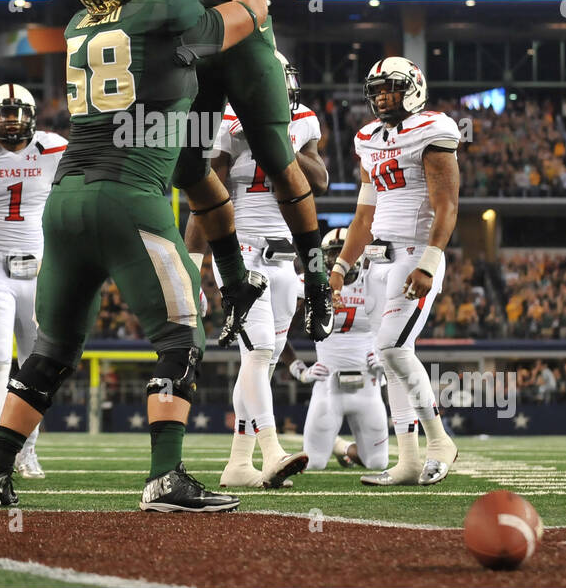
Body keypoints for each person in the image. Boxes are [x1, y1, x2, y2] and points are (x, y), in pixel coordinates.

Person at [0, 0, 267, 513]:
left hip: (67, 200)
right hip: (130, 196)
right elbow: (252, 10)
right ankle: (164, 477)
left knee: (50, 351)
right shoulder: (166, 12)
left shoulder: (78, 27)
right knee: (182, 337)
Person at [137, 0, 356, 345]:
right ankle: (236, 281)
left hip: (246, 30)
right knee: (185, 166)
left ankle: (316, 279)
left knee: (278, 158)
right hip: (193, 37)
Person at [188, 53, 322, 488]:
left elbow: (319, 180)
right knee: (260, 352)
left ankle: (238, 464)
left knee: (258, 362)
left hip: (288, 260)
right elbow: (206, 194)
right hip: (242, 253)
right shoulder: (226, 121)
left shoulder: (302, 121)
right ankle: (271, 451)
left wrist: (278, 139)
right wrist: (195, 266)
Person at [330, 57, 462, 487]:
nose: (384, 97)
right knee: (391, 363)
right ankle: (407, 460)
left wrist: (429, 261)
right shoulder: (368, 137)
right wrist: (340, 267)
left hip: (414, 253)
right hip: (377, 259)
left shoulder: (434, 129)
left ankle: (440, 441)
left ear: (414, 88)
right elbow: (363, 215)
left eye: (392, 88)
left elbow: (447, 206)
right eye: (378, 90)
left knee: (391, 348)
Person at [0, 84, 66, 479]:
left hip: (38, 271)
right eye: (4, 114)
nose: (11, 121)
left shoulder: (53, 147)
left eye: (18, 113)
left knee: (36, 364)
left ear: (32, 116)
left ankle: (26, 450)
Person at [294, 228, 391, 472]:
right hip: (328, 385)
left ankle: (343, 448)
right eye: (331, 254)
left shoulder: (374, 281)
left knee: (378, 463)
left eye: (342, 253)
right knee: (313, 463)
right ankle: (336, 445)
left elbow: (396, 327)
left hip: (368, 384)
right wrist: (298, 369)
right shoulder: (311, 284)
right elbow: (277, 330)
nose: (337, 259)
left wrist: (382, 357)